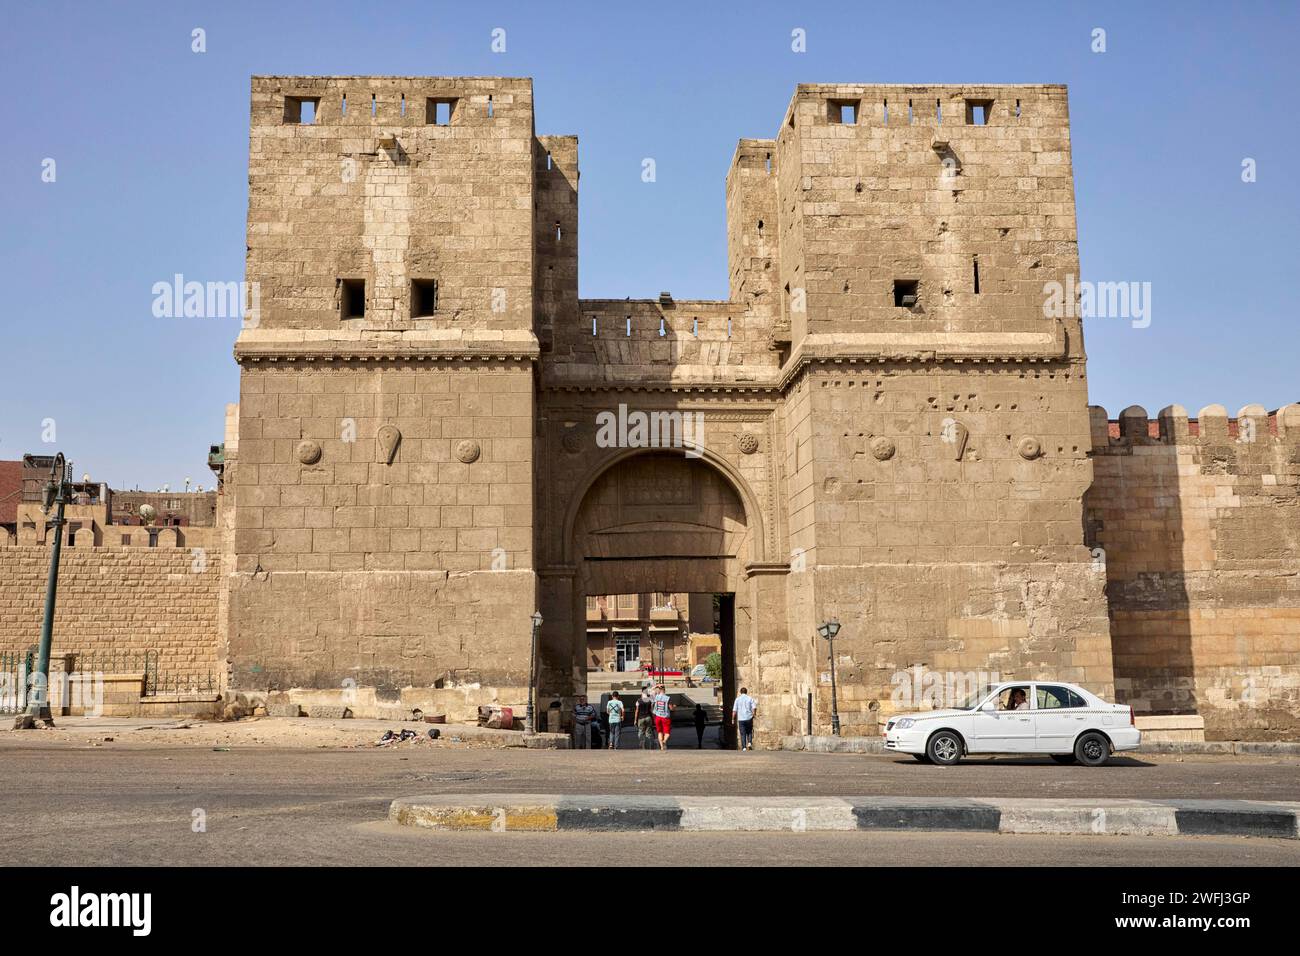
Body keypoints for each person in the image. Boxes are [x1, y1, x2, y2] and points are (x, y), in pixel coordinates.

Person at [652, 684, 673, 751]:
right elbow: (671, 708)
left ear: (659, 690)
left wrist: (656, 686)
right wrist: (674, 707)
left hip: (658, 717)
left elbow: (652, 691)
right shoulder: (667, 698)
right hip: (665, 717)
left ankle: (661, 747)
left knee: (659, 732)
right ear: (664, 690)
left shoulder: (656, 697)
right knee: (667, 733)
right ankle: (664, 741)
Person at [635, 686, 656, 750]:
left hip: (641, 718)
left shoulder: (638, 700)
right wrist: (653, 719)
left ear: (641, 692)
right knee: (648, 732)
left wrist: (635, 720)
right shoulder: (650, 700)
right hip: (648, 717)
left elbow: (637, 711)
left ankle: (642, 743)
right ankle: (649, 745)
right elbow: (652, 710)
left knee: (641, 731)